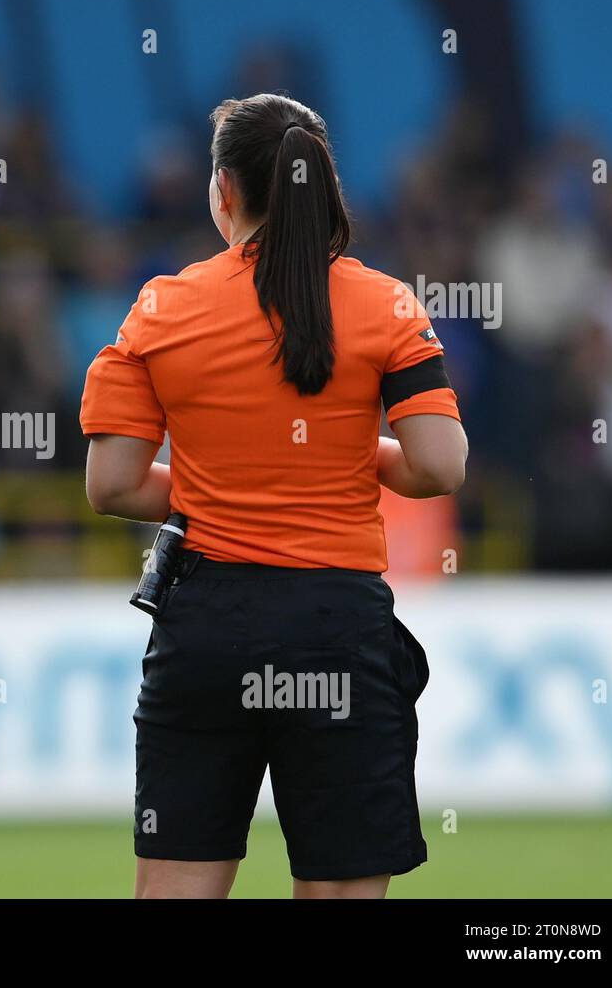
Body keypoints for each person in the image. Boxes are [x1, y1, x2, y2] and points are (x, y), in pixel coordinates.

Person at [80, 93, 467, 899]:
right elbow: (438, 467)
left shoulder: (162, 306)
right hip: (338, 630)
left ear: (223, 189)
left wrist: (237, 479)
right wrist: (345, 459)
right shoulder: (387, 304)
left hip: (205, 627)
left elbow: (111, 484)